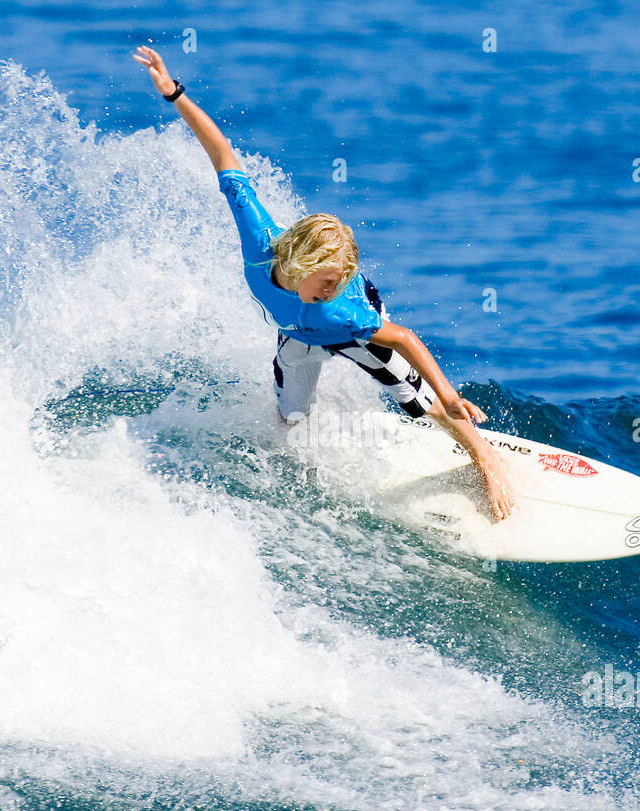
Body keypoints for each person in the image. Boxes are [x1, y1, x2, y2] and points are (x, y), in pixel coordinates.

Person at [134, 46, 516, 520]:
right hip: (295, 337)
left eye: (343, 280)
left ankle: (485, 458)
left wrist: (450, 392)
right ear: (300, 262)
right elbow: (222, 153)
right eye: (330, 281)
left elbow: (404, 337)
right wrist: (175, 94)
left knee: (425, 407)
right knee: (291, 419)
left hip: (347, 336)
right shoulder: (259, 242)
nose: (335, 288)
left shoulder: (344, 310)